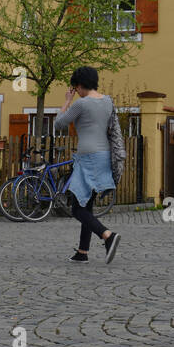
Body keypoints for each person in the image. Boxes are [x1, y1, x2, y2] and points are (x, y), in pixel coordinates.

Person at [55, 66, 121, 264]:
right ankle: (82, 252)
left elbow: (59, 124)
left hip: (88, 158)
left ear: (79, 85)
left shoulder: (81, 104)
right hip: (104, 157)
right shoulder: (108, 101)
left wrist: (67, 101)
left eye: (76, 87)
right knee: (87, 205)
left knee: (77, 209)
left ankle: (107, 235)